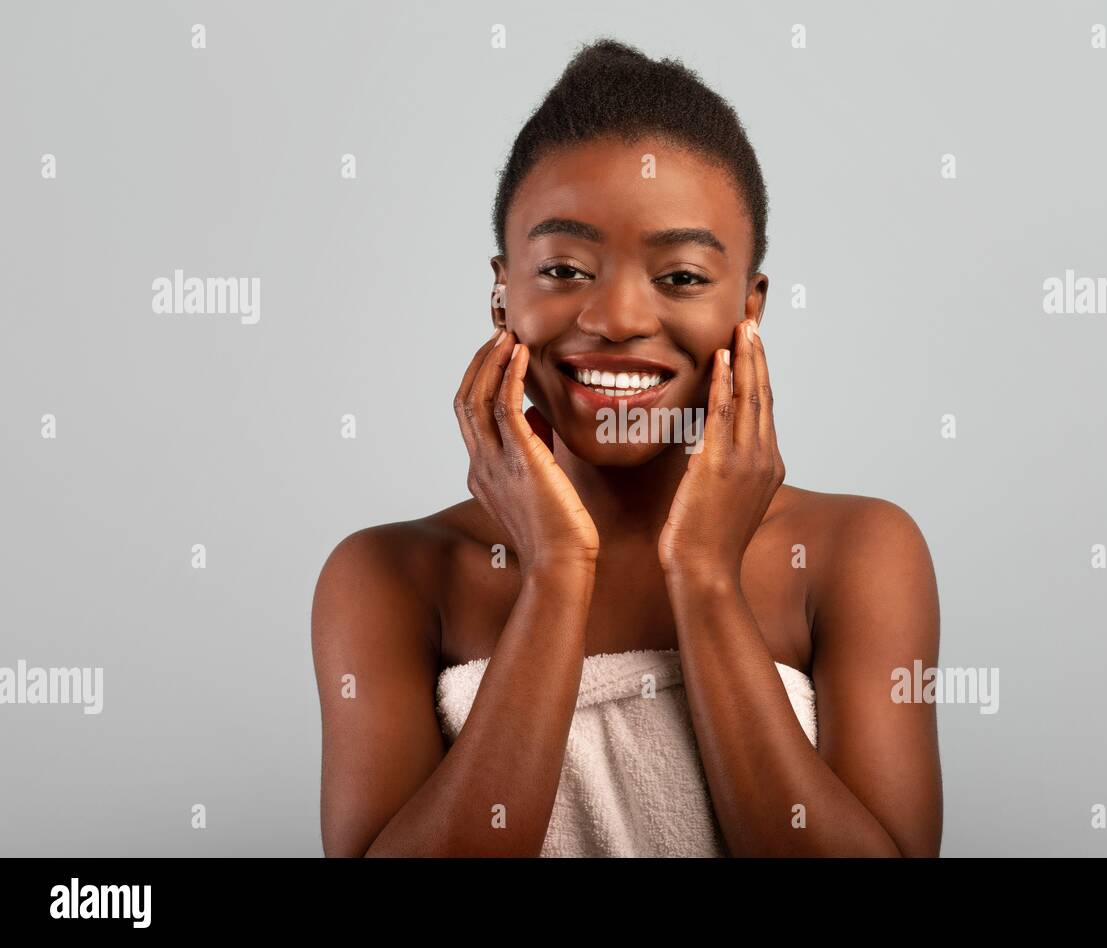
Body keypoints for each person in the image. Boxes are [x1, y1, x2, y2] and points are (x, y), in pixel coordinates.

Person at [312, 37, 942, 857]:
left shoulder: (857, 553)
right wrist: (555, 573)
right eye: (565, 269)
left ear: (750, 308)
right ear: (502, 296)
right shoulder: (389, 576)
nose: (616, 320)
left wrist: (708, 578)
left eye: (680, 276)